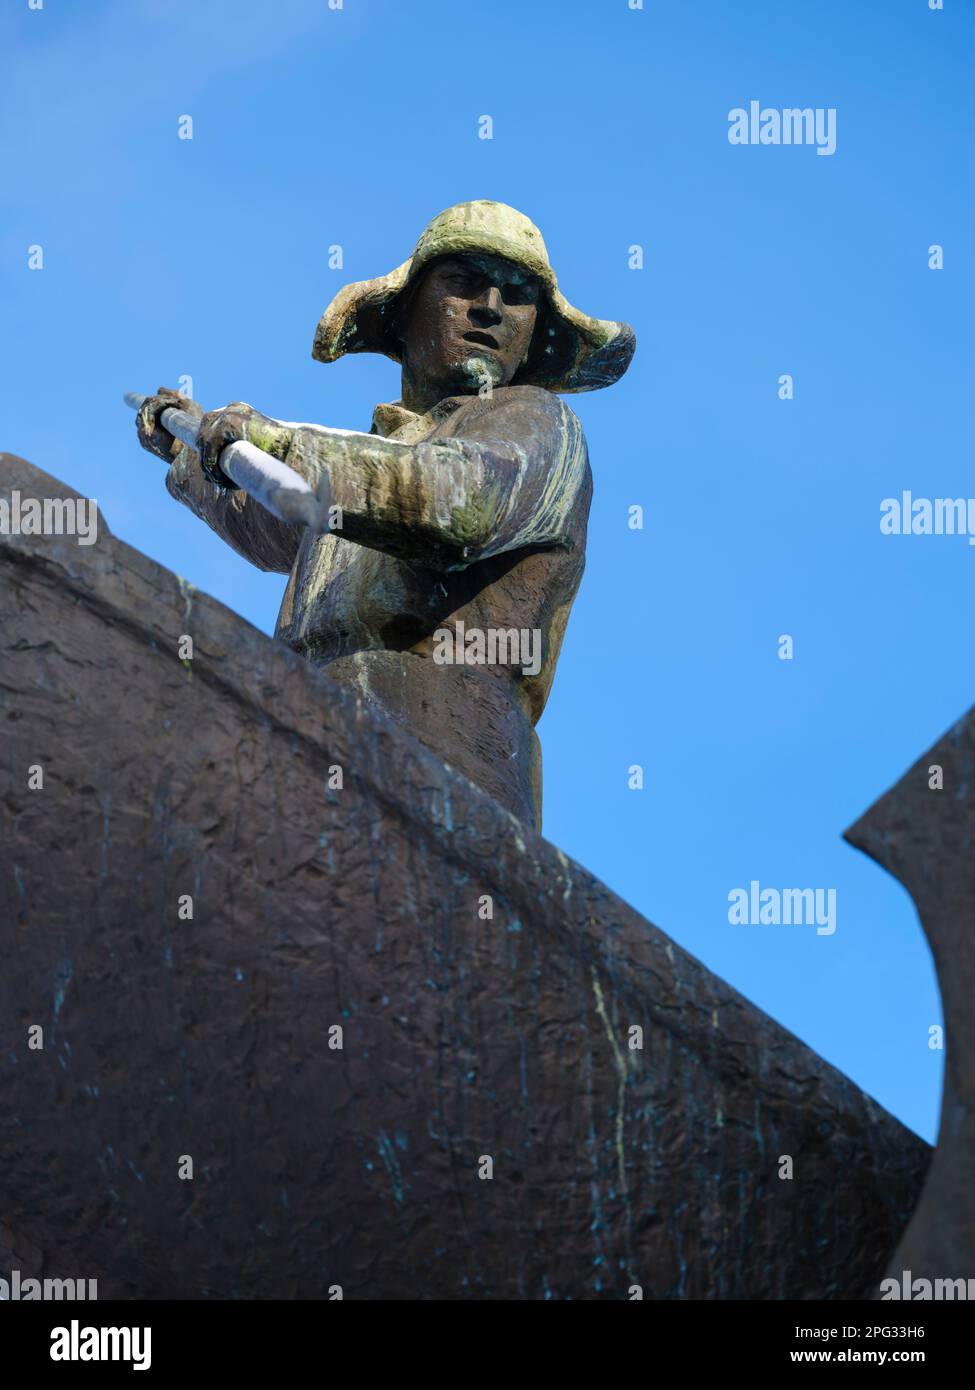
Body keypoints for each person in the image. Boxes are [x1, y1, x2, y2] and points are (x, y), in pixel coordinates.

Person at [136, 201, 635, 826]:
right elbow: (267, 513)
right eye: (464, 281)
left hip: (445, 738)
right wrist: (190, 457)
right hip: (298, 729)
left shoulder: (536, 422)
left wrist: (283, 443)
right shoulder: (362, 468)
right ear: (405, 312)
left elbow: (457, 502)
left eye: (517, 295)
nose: (490, 307)